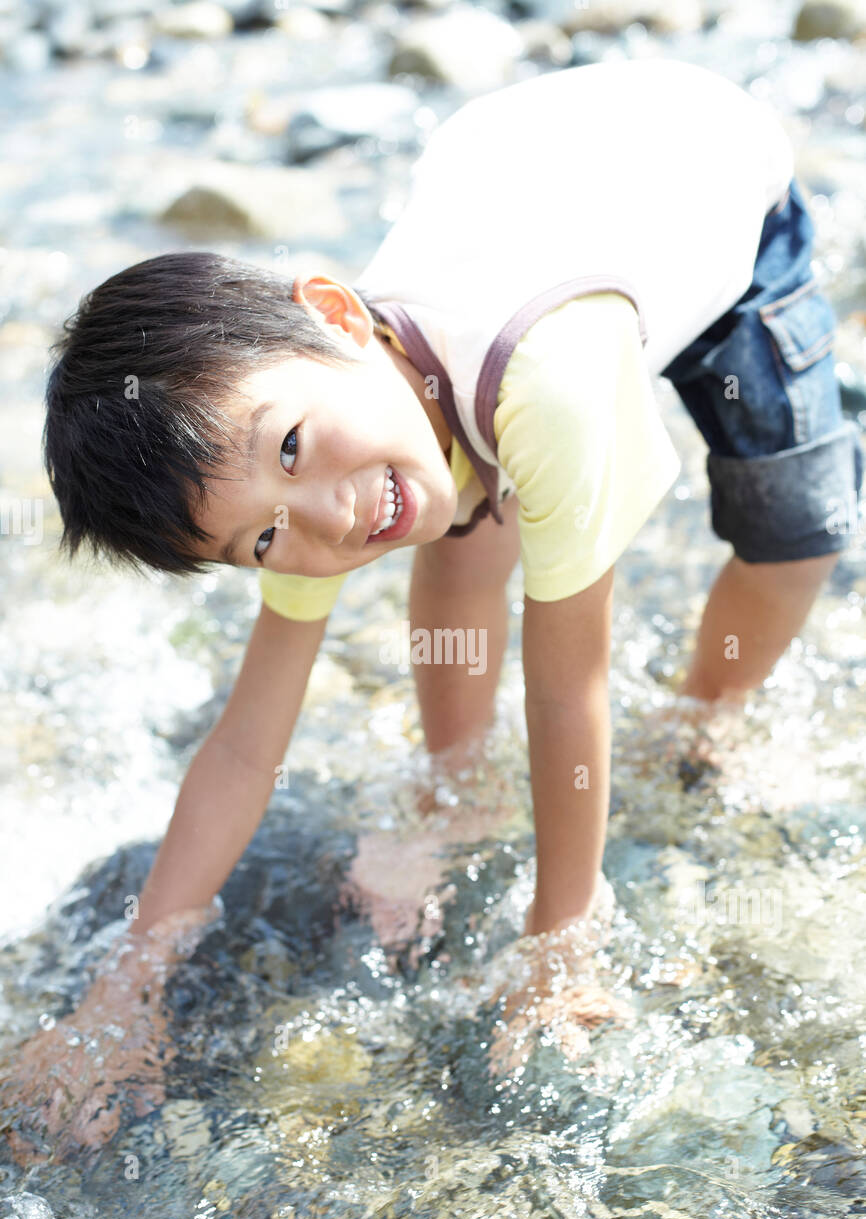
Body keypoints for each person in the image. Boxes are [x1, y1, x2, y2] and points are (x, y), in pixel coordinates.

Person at [6, 57, 862, 1148]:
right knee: (453, 522)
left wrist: (560, 945)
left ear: (333, 311)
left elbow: (568, 691)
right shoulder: (283, 460)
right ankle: (455, 779)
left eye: (293, 448)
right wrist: (120, 992)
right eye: (261, 538)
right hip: (514, 192)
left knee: (793, 536)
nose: (323, 520)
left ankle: (711, 707)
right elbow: (241, 746)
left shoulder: (549, 379)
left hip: (703, 181)